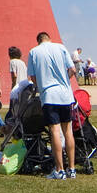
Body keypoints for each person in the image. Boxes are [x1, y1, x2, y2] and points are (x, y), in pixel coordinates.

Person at [28, 31, 77, 180]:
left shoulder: (33, 52)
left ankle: (59, 169)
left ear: (38, 41)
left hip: (49, 95)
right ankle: (72, 169)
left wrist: (42, 86)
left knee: (54, 130)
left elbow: (33, 77)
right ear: (49, 38)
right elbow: (73, 69)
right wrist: (65, 81)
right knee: (68, 130)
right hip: (65, 94)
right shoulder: (61, 48)